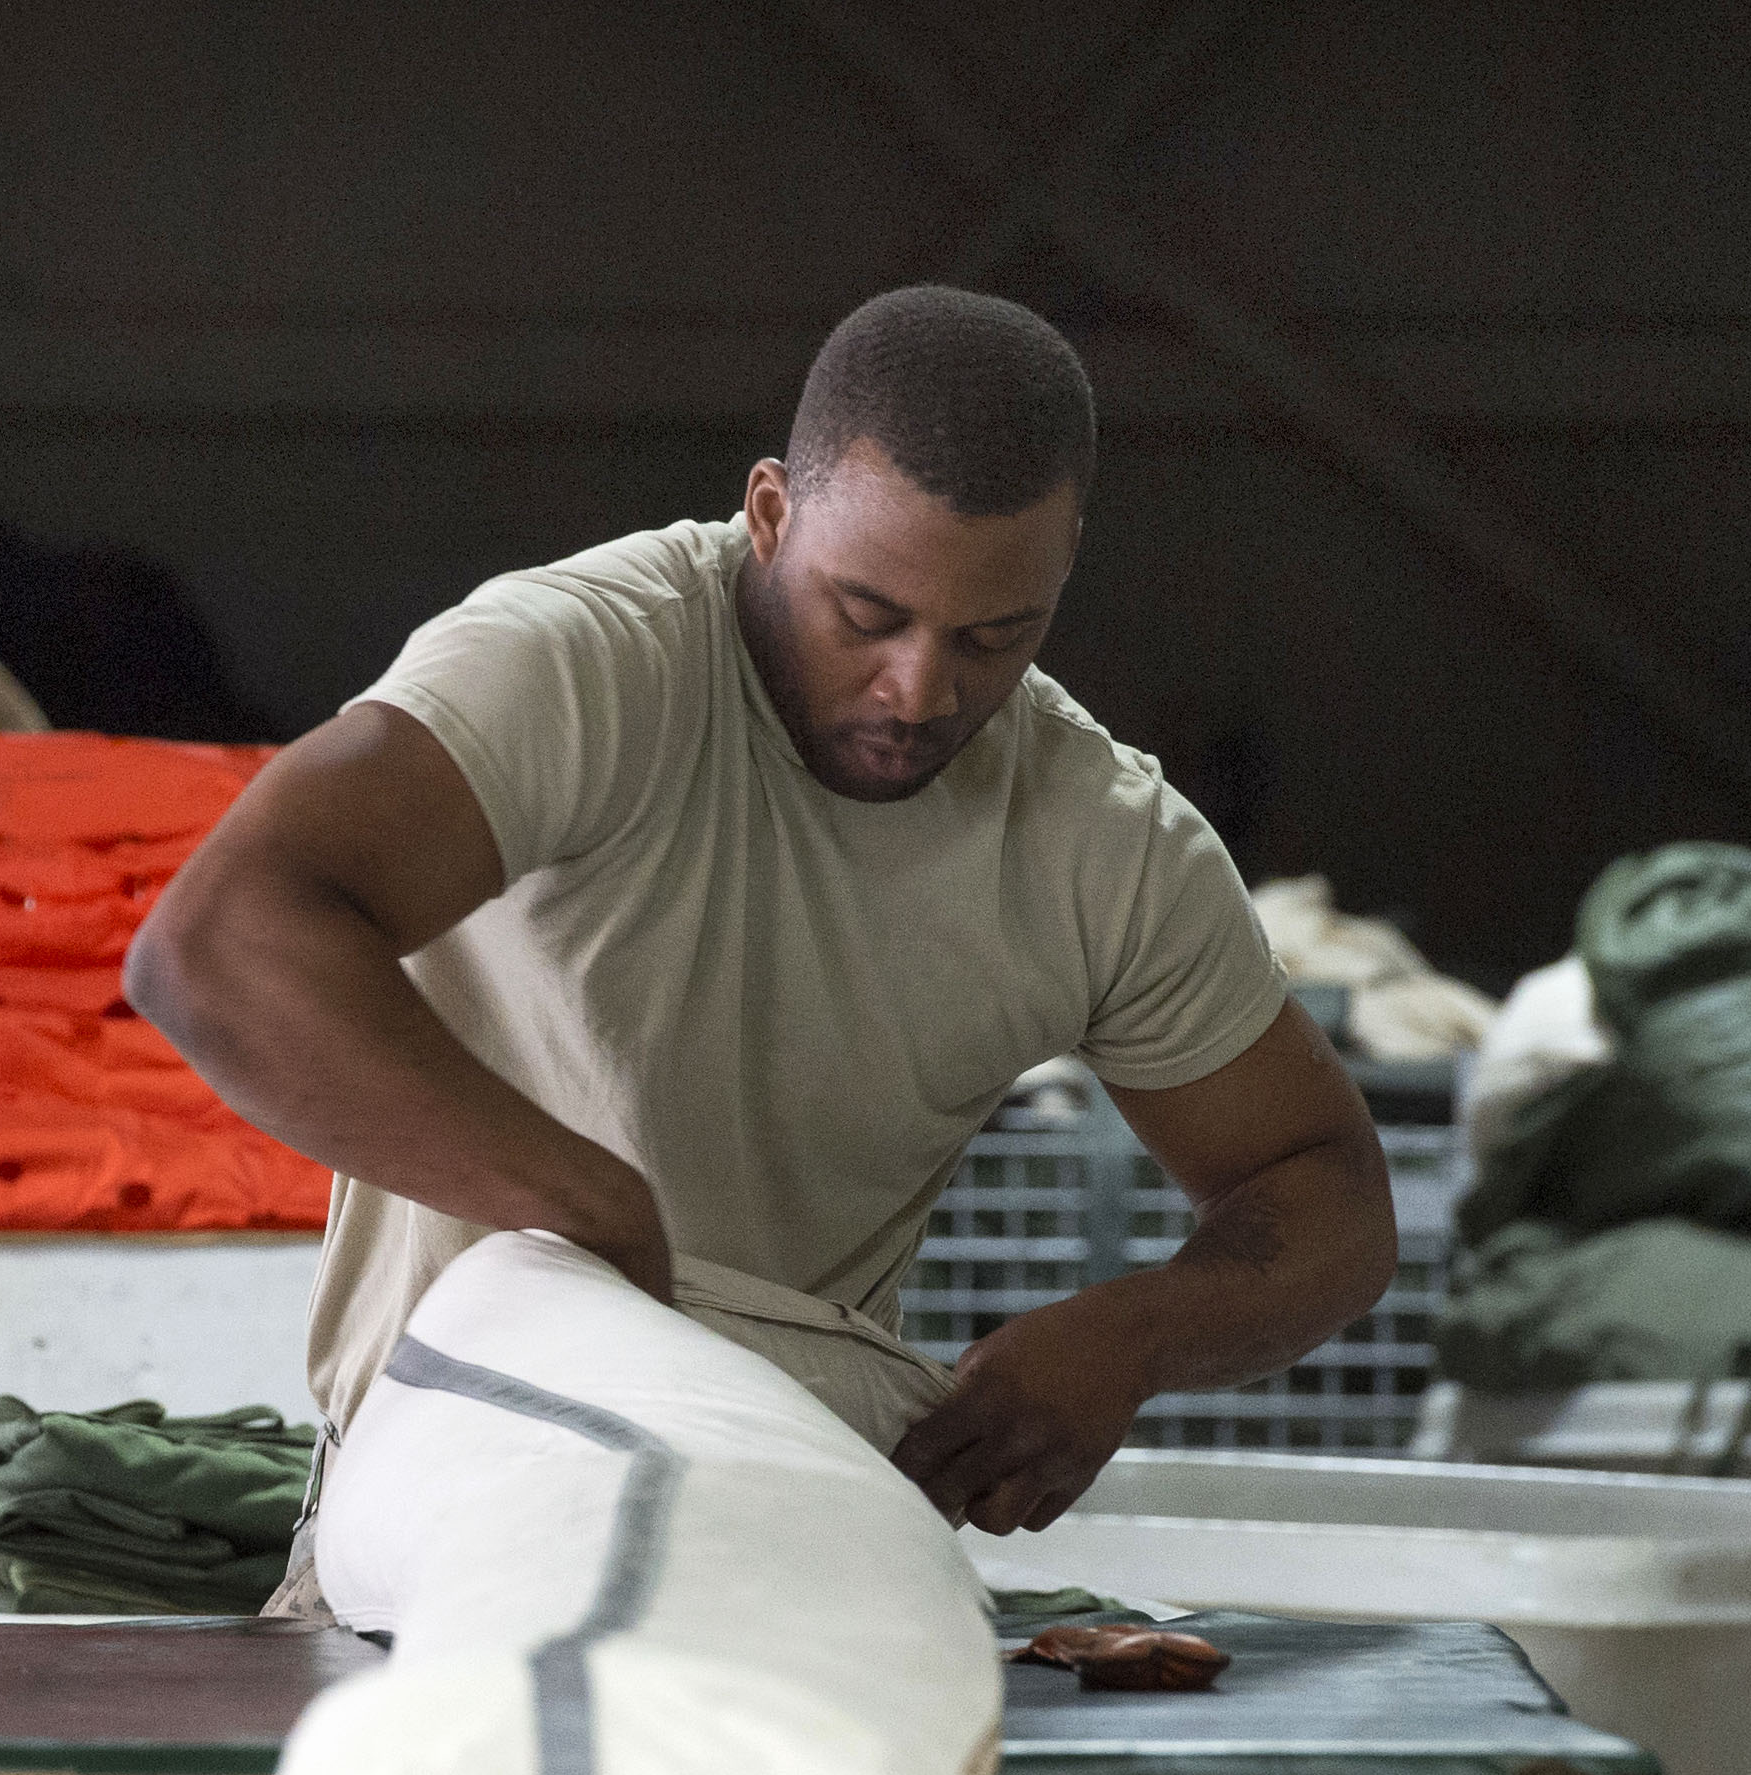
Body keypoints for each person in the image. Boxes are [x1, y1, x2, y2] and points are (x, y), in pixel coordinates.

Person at [127, 284, 1396, 1559]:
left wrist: (1135, 1335)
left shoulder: (1104, 849)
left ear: (1062, 572)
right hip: (448, 1513)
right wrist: (587, 1213)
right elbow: (220, 940)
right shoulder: (582, 666)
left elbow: (1325, 1188)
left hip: (797, 1520)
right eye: (868, 615)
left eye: (996, 636)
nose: (920, 688)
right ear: (772, 514)